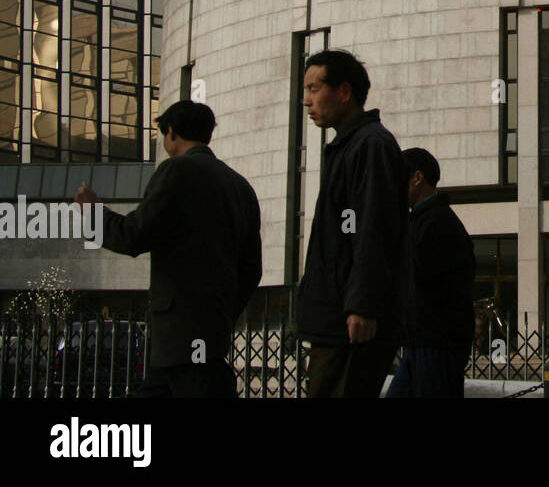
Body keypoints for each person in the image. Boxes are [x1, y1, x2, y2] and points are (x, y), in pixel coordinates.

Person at [74, 100, 261, 397]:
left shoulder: (176, 172)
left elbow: (134, 235)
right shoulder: (240, 186)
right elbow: (252, 269)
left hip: (179, 335)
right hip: (210, 333)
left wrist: (93, 214)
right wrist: (222, 309)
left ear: (171, 132)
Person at [298, 49, 408, 398]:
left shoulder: (370, 145)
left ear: (343, 92)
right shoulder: (347, 146)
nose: (307, 101)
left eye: (314, 89)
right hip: (336, 318)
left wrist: (362, 305)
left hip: (351, 321)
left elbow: (372, 228)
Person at [387, 148, 476, 398]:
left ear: (417, 177)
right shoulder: (422, 220)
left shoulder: (437, 223)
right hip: (422, 341)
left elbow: (417, 275)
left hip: (436, 343)